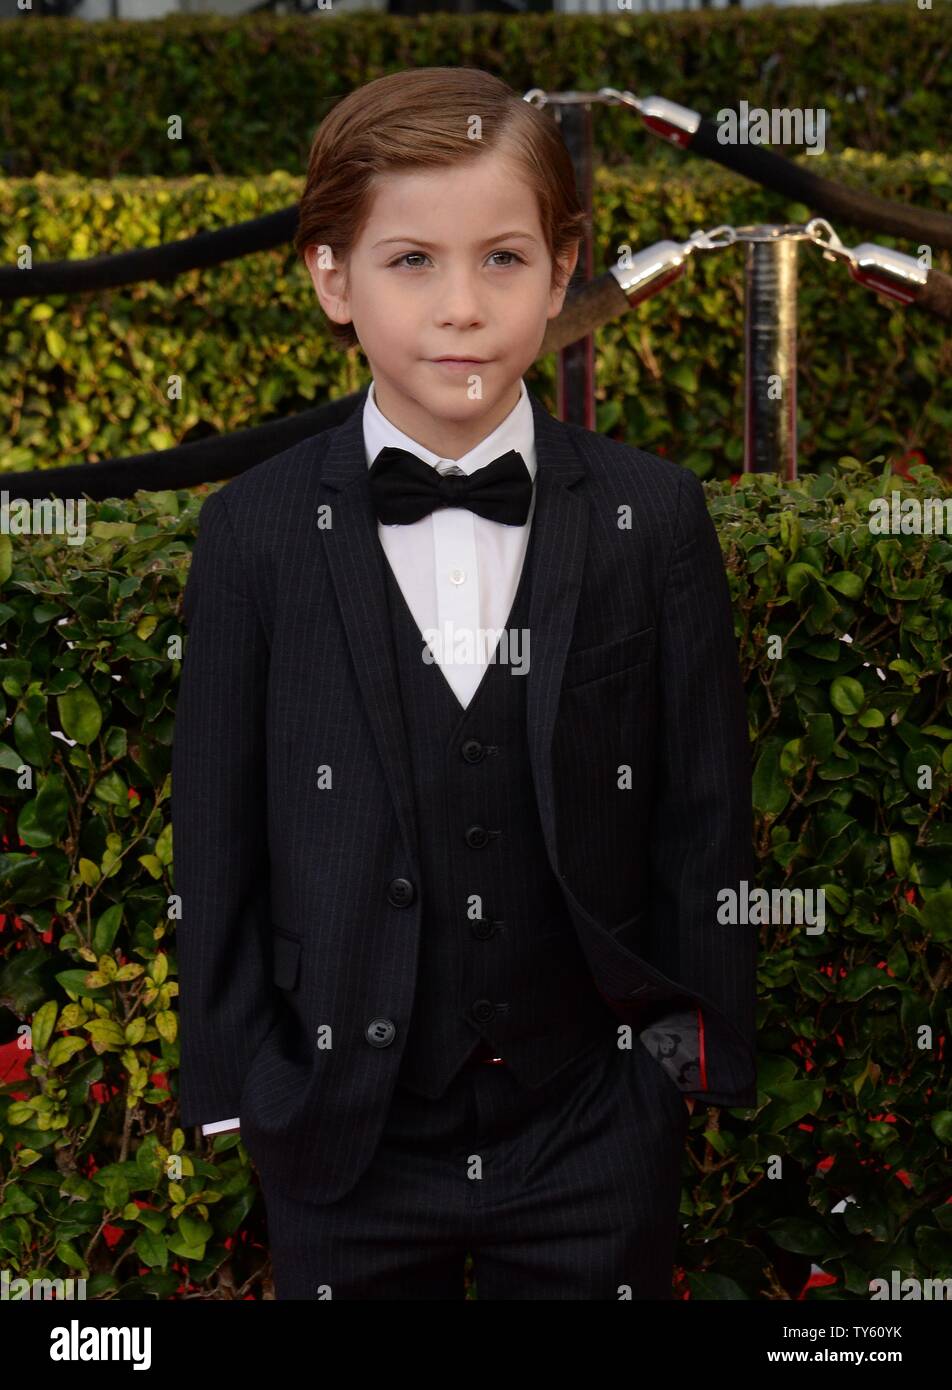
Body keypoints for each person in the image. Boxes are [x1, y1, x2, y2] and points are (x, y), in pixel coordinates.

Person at [171, 65, 757, 1301]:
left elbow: (701, 815)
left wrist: (675, 1072)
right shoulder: (253, 532)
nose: (460, 308)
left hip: (590, 1125)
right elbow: (218, 834)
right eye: (410, 261)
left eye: (500, 258)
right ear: (332, 278)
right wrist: (244, 1091)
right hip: (346, 1134)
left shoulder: (653, 517)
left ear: (562, 269)